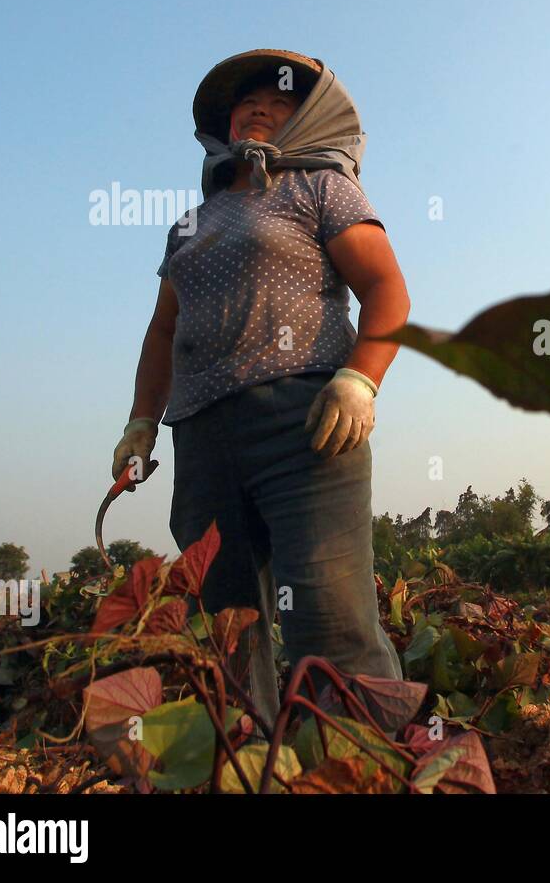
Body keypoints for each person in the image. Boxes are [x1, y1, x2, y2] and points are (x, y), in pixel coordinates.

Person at [110, 49, 409, 731]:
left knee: (329, 616)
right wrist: (139, 424)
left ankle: (360, 763)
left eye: (276, 103)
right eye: (245, 103)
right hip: (202, 434)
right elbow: (163, 332)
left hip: (304, 422)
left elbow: (388, 291)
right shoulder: (189, 223)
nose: (256, 107)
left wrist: (360, 379)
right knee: (227, 625)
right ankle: (251, 764)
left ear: (305, 124)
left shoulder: (321, 189)